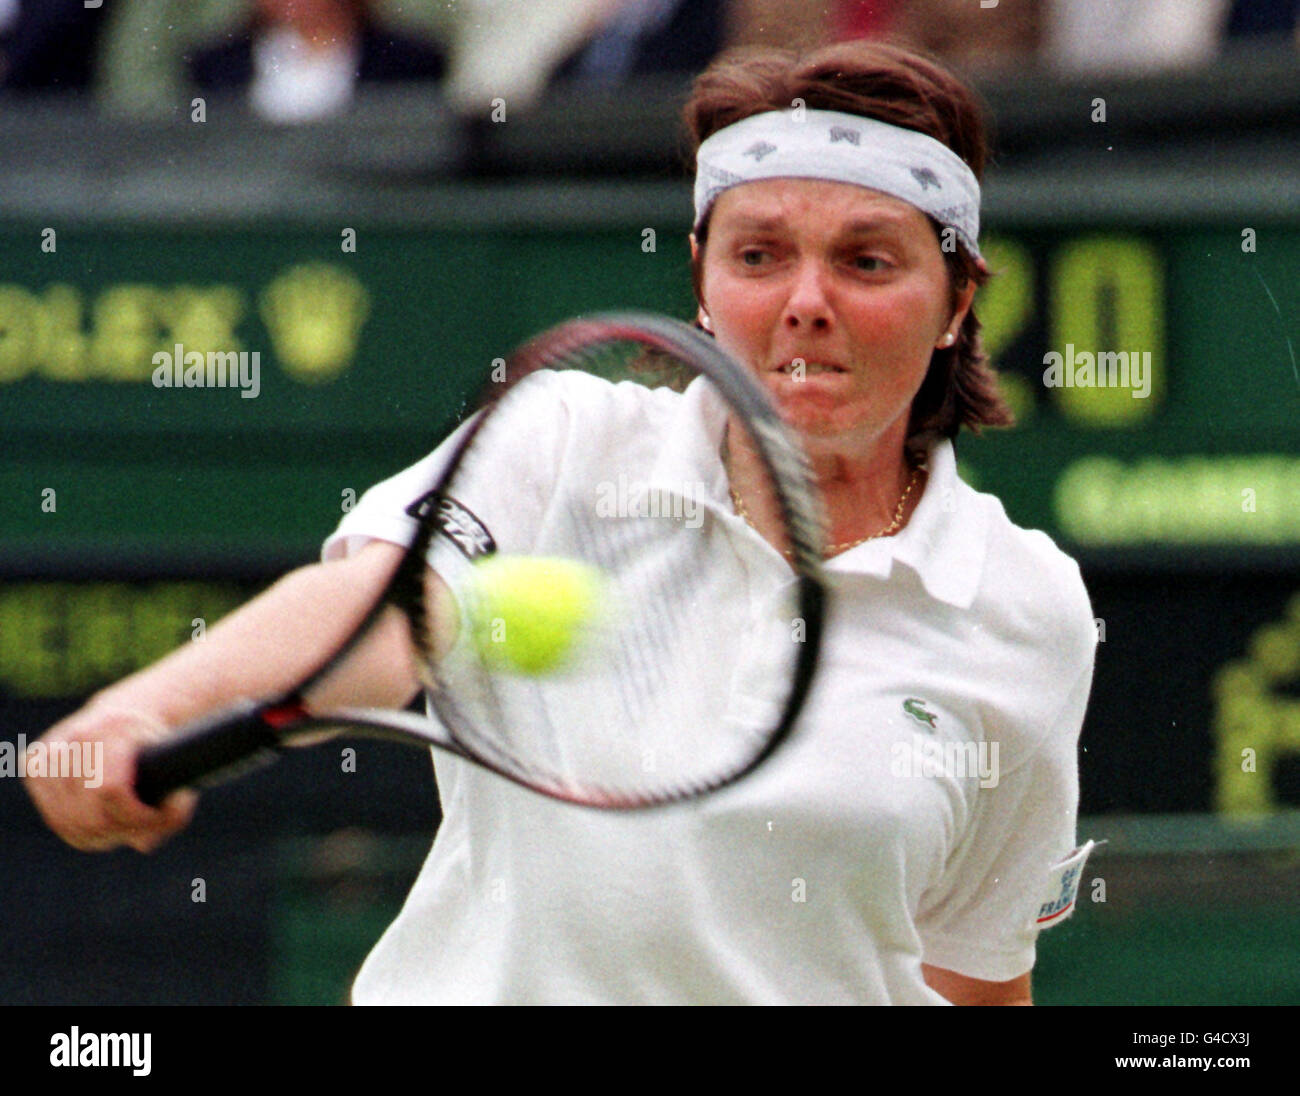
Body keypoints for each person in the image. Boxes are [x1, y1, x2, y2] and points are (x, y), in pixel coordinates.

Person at [24, 40, 1098, 1005]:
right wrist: (135, 713)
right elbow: (381, 612)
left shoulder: (1025, 606)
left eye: (866, 260)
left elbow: (972, 977)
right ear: (703, 286)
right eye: (758, 255)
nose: (805, 300)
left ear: (958, 300)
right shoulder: (559, 438)